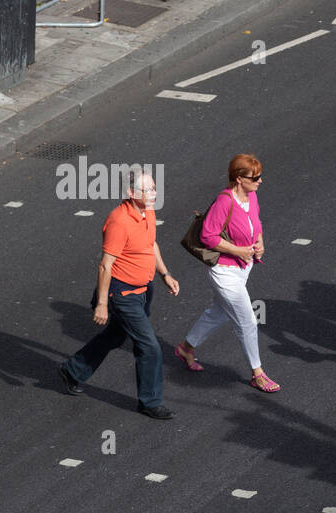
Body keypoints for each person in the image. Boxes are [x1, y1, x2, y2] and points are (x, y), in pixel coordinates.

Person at [58, 170, 181, 420]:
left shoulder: (147, 210)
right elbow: (105, 265)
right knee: (149, 346)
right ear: (131, 193)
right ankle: (150, 402)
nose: (154, 194)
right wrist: (102, 304)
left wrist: (165, 274)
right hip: (122, 294)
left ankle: (73, 370)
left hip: (144, 290)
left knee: (115, 336)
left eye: (155, 188)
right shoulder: (119, 221)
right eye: (148, 190)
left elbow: (150, 244)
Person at [174, 154, 278, 392]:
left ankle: (186, 348)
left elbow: (256, 223)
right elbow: (207, 237)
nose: (260, 181)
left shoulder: (251, 196)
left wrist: (260, 243)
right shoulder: (225, 201)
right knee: (248, 321)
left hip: (244, 266)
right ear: (239, 179)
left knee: (219, 312)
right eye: (255, 177)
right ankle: (258, 373)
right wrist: (238, 250)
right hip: (224, 271)